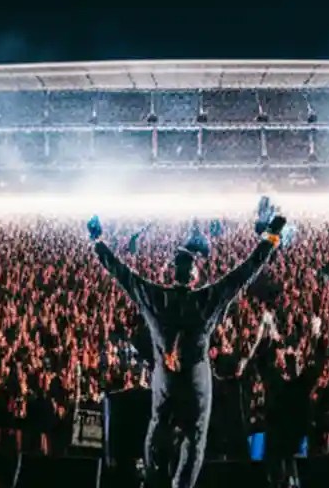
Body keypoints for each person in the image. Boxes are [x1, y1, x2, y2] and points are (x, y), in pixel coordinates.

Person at [88, 205, 287, 488]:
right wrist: (270, 238)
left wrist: (97, 241)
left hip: (165, 380)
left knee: (158, 424)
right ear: (194, 276)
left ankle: (154, 480)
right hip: (196, 383)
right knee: (195, 436)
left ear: (172, 275)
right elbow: (244, 273)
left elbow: (121, 273)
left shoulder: (154, 297)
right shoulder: (207, 300)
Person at [251, 312, 329, 488]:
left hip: (279, 443)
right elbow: (318, 364)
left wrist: (269, 335)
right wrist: (317, 335)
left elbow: (262, 363)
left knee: (282, 474)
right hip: (290, 440)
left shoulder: (280, 384)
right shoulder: (296, 385)